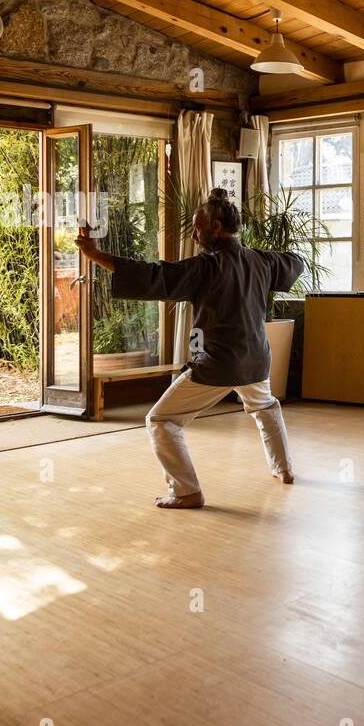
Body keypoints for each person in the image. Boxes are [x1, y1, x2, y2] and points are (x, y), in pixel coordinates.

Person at [75, 188, 304, 509]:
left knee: (161, 421)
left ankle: (186, 491)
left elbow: (155, 275)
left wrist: (96, 256)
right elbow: (296, 262)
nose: (194, 234)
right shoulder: (261, 260)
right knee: (265, 407)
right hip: (256, 359)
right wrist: (263, 262)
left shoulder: (205, 267)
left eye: (197, 227)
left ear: (216, 227)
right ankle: (284, 468)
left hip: (219, 363)